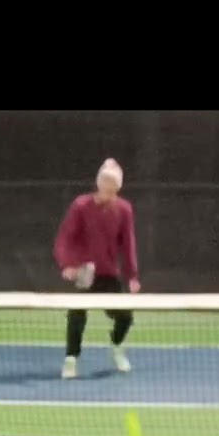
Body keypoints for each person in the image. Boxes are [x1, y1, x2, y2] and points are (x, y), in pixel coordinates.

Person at [53, 158, 141, 379]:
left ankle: (116, 346)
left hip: (110, 274)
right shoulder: (81, 206)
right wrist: (67, 265)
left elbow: (128, 243)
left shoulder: (124, 209)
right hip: (86, 273)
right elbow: (65, 238)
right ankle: (71, 359)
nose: (108, 191)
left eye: (113, 188)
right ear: (99, 184)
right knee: (76, 314)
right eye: (105, 185)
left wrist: (132, 275)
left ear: (117, 188)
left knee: (125, 317)